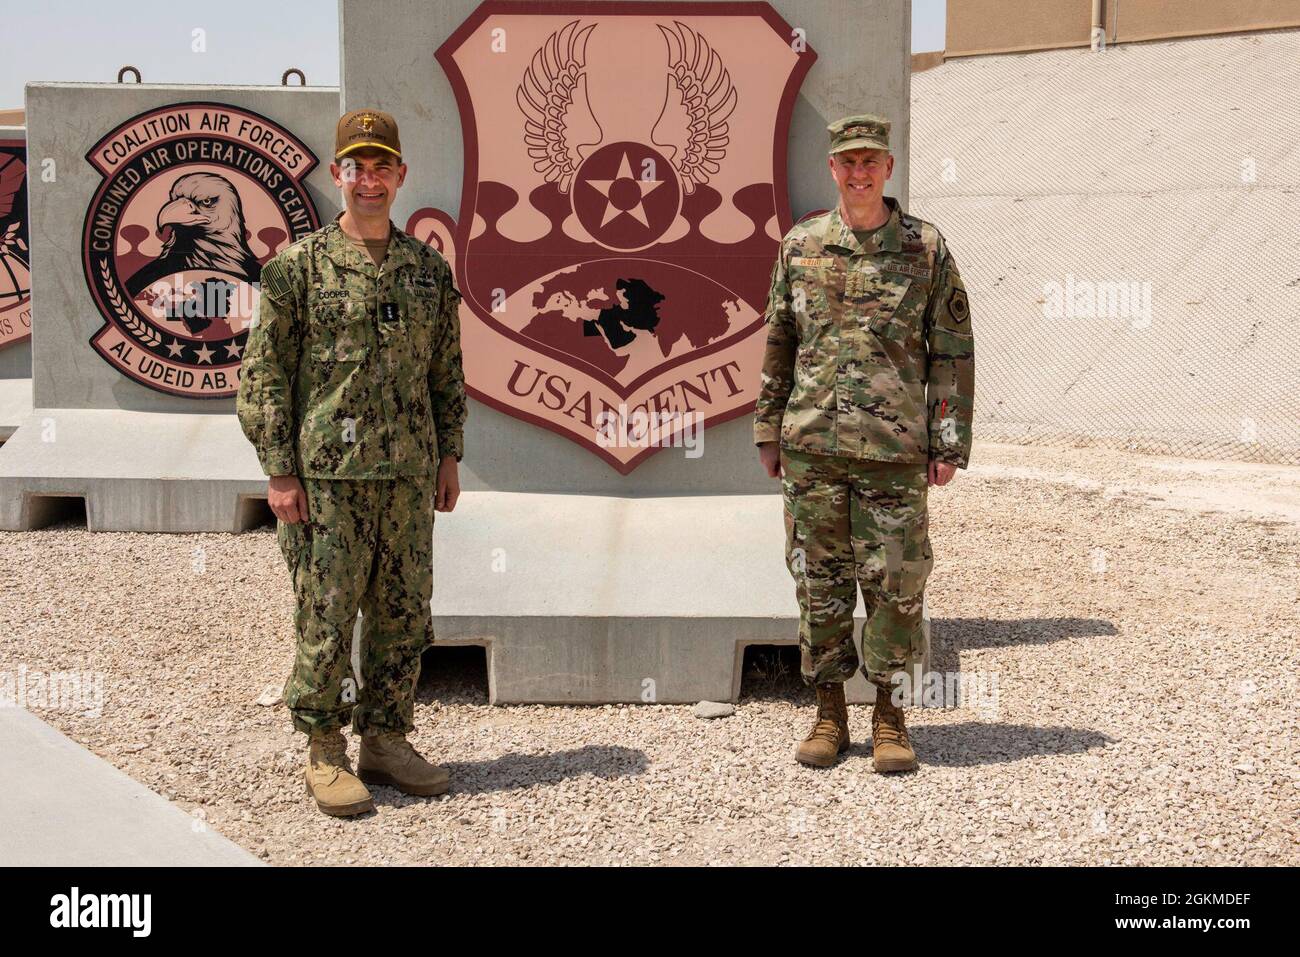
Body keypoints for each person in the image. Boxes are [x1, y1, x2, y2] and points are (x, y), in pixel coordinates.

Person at [237, 109, 466, 815]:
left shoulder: (427, 270)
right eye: (355, 168)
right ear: (335, 175)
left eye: (381, 167)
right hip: (326, 480)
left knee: (403, 614)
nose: (369, 181)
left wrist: (448, 453)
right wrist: (279, 469)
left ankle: (386, 739)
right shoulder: (296, 269)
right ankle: (324, 746)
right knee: (327, 614)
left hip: (405, 476)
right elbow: (263, 374)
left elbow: (446, 372)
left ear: (401, 176)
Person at [754, 113, 974, 772]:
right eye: (847, 162)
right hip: (814, 448)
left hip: (894, 451)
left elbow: (951, 351)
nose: (858, 173)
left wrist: (947, 440)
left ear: (888, 169)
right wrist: (769, 427)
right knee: (819, 582)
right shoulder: (801, 248)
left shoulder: (925, 249)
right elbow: (779, 342)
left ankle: (891, 716)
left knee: (898, 587)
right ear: (833, 169)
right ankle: (829, 711)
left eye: (870, 162)